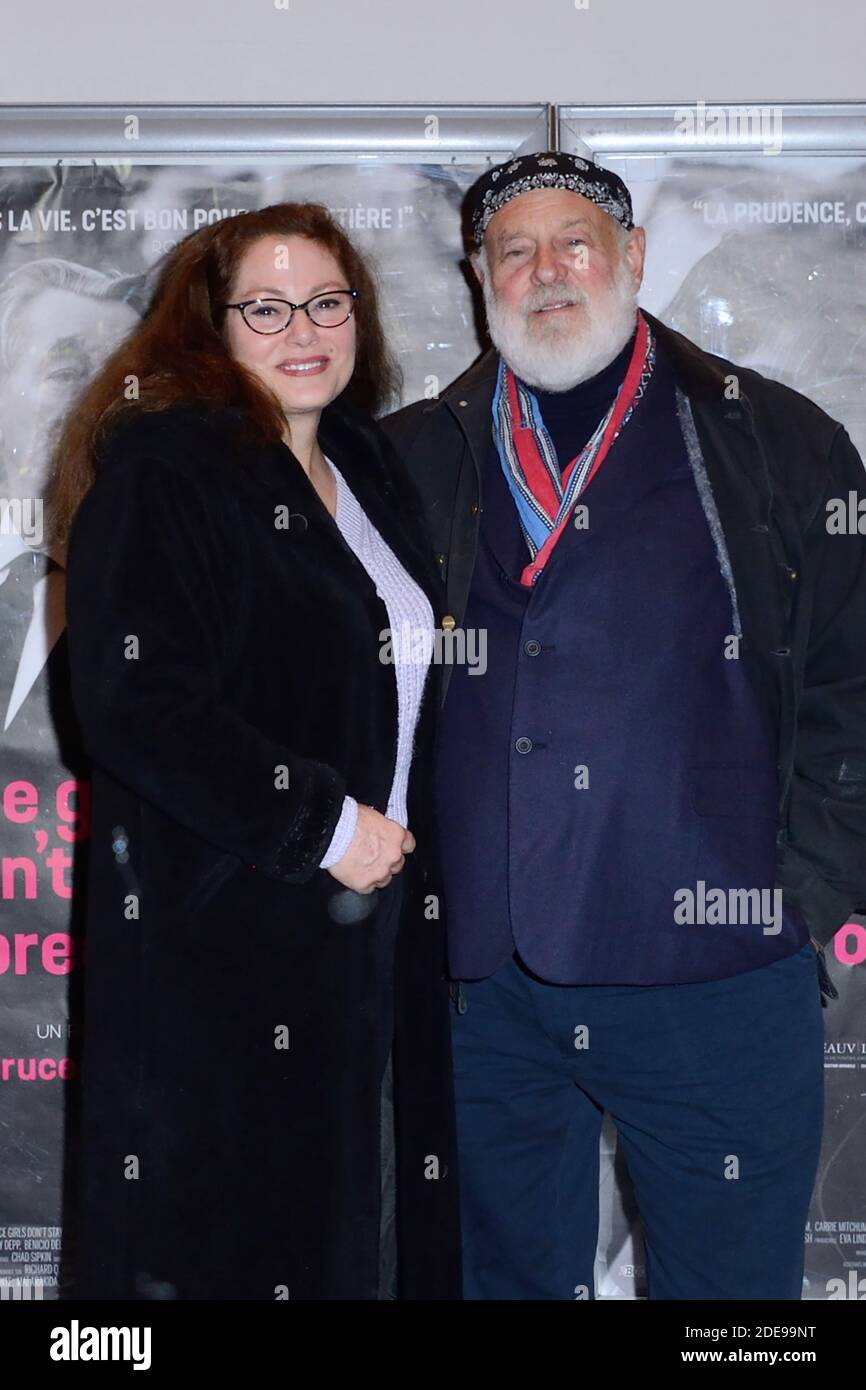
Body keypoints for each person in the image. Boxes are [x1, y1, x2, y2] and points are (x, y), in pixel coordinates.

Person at [381, 151, 866, 1300]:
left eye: (573, 243)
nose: (545, 271)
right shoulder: (411, 454)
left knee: (731, 1310)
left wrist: (807, 896)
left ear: (631, 256)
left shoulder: (774, 441)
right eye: (513, 251)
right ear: (476, 275)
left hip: (716, 974)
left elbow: (852, 683)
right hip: (483, 988)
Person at [51, 202, 461, 1300]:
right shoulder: (167, 466)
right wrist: (320, 826)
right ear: (210, 327)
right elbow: (134, 699)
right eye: (266, 308)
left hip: (371, 929)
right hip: (226, 936)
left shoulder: (368, 464)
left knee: (358, 1236)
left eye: (328, 301)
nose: (304, 329)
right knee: (234, 1244)